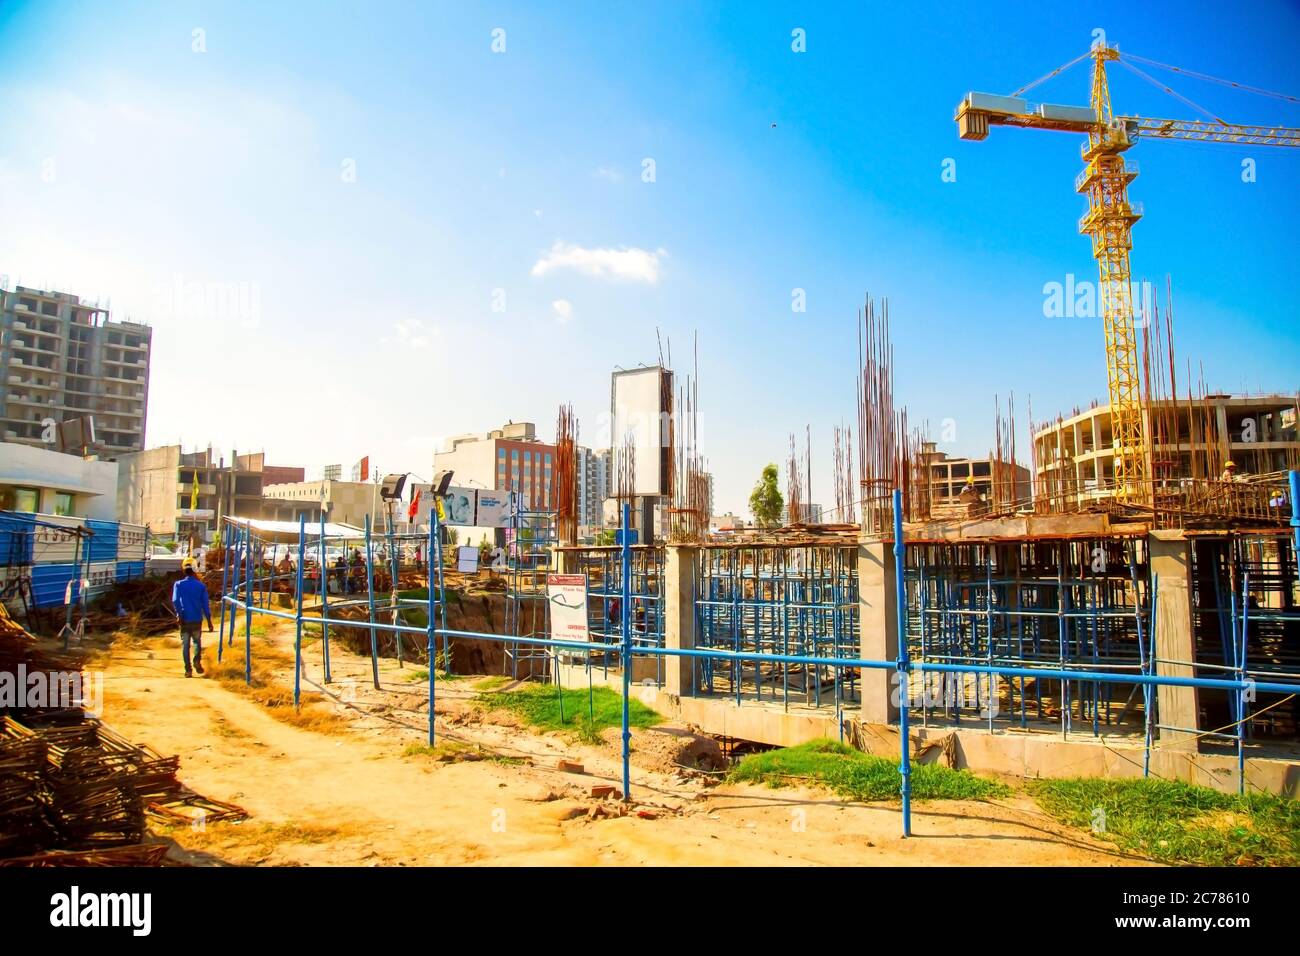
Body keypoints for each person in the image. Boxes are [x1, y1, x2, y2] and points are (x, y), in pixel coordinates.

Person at [171, 557, 213, 677]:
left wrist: (179, 614)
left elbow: (175, 600)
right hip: (196, 619)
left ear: (183, 570)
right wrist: (209, 621)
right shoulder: (200, 586)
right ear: (195, 570)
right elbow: (205, 605)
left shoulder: (178, 585)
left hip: (184, 619)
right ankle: (196, 661)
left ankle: (188, 670)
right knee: (196, 642)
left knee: (185, 644)